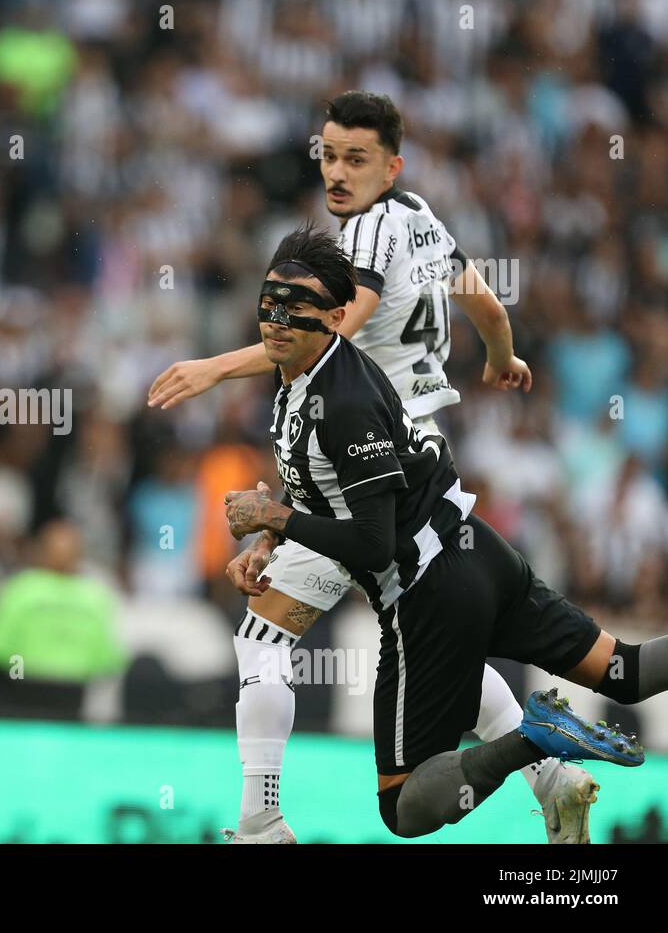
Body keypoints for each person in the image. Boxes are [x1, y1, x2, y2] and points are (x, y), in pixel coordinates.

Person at [148, 91, 591, 843]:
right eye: (327, 154)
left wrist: (215, 367)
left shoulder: (372, 234)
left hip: (374, 469)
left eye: (356, 158)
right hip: (409, 462)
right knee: (429, 642)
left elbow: (328, 338)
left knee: (261, 642)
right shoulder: (421, 218)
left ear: (393, 164)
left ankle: (260, 824)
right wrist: (504, 356)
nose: (338, 171)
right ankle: (553, 775)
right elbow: (483, 302)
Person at [222, 227, 660, 840]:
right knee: (625, 672)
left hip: (427, 591)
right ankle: (551, 772)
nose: (276, 317)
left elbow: (374, 544)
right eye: (269, 300)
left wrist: (273, 519)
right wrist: (271, 540)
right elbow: (314, 477)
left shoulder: (343, 398)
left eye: (296, 307)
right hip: (481, 555)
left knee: (402, 810)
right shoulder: (301, 367)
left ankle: (534, 741)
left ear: (338, 316)